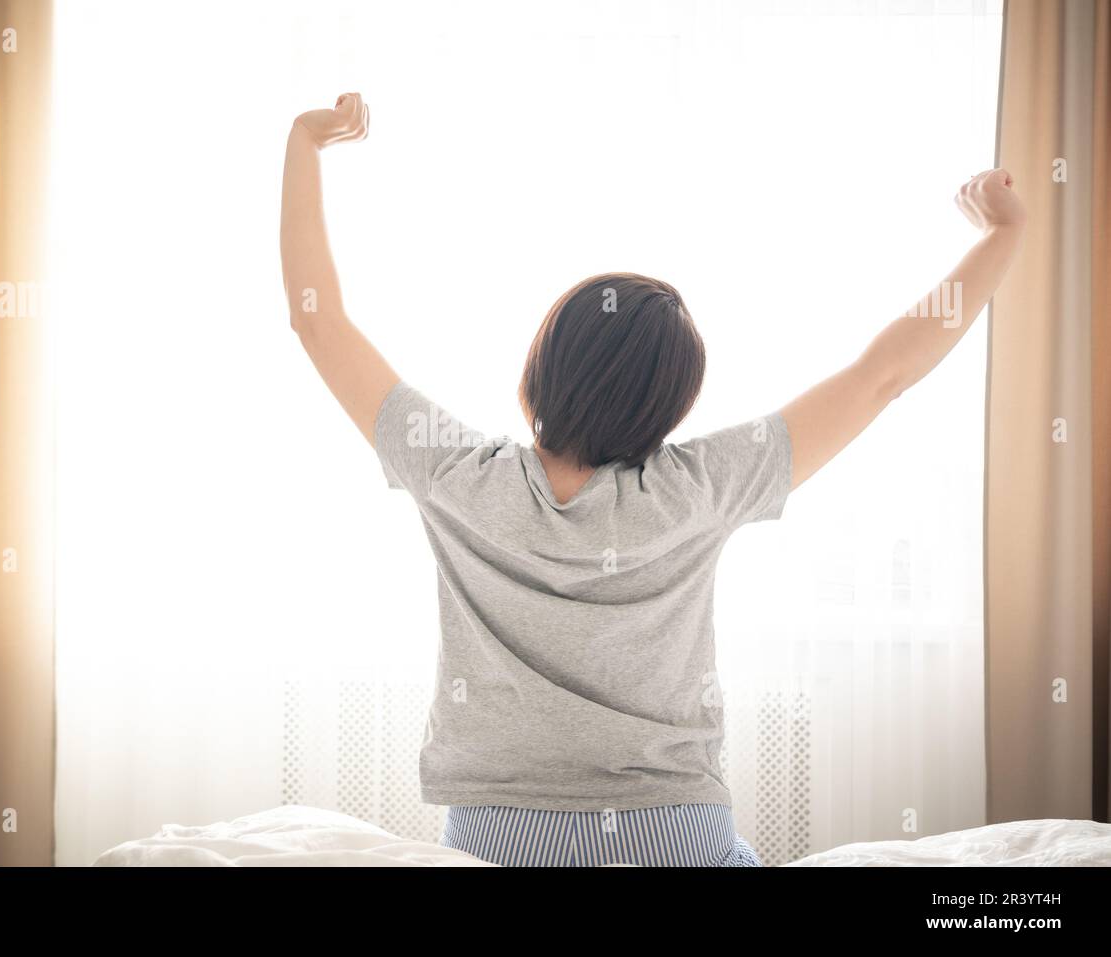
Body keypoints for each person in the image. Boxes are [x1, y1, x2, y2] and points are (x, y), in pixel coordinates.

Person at [280, 92, 1026, 867]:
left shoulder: (454, 473)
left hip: (498, 839)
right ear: (667, 403)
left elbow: (317, 319)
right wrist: (1003, 235)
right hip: (673, 832)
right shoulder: (702, 487)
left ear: (544, 364)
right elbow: (881, 376)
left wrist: (305, 142)